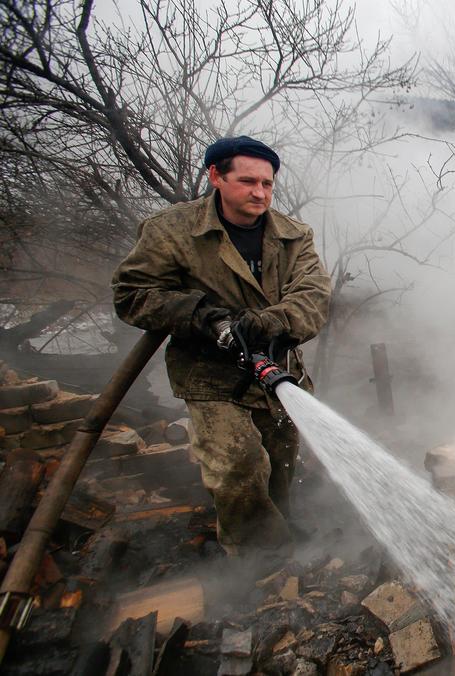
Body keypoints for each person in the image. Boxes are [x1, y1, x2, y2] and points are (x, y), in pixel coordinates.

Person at [112, 136, 331, 557]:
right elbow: (132, 293)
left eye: (267, 184)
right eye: (247, 181)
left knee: (281, 459)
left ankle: (283, 543)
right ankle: (255, 564)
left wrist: (269, 322)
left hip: (277, 370)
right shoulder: (173, 231)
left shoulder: (293, 235)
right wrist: (201, 316)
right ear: (215, 176)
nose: (260, 193)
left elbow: (314, 295)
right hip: (211, 375)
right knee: (238, 465)